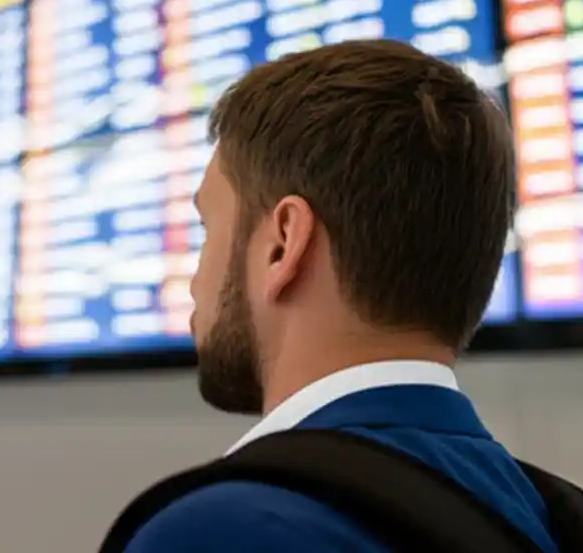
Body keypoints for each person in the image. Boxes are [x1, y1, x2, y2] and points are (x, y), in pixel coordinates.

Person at [117, 40, 555, 552]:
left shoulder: (221, 531)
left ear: (283, 244)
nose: (191, 282)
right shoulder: (568, 522)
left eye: (208, 230)